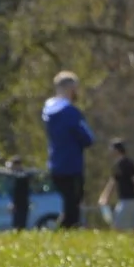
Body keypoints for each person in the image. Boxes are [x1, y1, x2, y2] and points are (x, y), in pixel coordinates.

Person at [42, 72, 94, 229]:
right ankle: (68, 229)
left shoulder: (47, 110)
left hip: (55, 162)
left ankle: (65, 229)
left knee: (67, 202)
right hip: (72, 164)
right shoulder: (71, 112)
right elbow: (87, 138)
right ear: (71, 89)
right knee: (73, 204)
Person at [106, 139, 134, 231]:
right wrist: (105, 197)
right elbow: (113, 182)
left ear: (117, 150)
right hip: (127, 201)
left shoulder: (127, 164)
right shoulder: (118, 165)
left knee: (118, 227)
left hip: (128, 201)